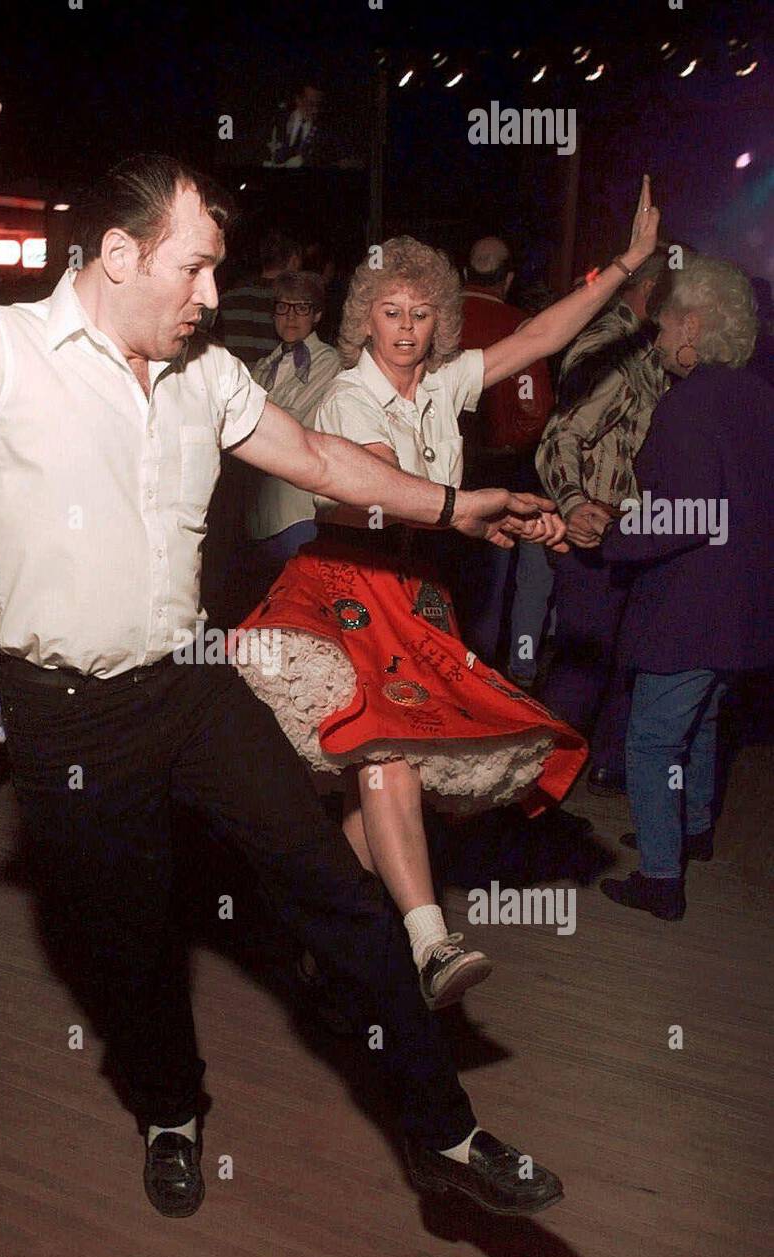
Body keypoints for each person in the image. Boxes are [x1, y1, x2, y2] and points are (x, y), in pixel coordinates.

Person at [0, 69, 612, 1223]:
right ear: (118, 256)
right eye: (193, 265)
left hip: (191, 680)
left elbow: (326, 466)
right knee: (131, 948)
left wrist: (453, 505)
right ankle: (172, 1109)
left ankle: (444, 1132)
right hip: (65, 712)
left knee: (336, 887)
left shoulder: (209, 375)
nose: (212, 291)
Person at [235, 228, 629, 1008]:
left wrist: (622, 265)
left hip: (416, 596)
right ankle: (428, 941)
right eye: (390, 311)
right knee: (383, 756)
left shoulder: (445, 383)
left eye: (420, 312)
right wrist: (497, 515)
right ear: (364, 319)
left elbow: (542, 334)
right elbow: (379, 494)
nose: (407, 327)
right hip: (348, 588)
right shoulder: (349, 395)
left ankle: (330, 938)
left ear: (439, 319)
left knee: (377, 786)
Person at [599, 255, 773, 919]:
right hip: (746, 606)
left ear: (694, 324)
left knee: (650, 741)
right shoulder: (759, 394)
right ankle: (689, 830)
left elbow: (693, 513)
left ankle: (659, 877)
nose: (658, 333)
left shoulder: (688, 402)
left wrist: (611, 536)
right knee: (699, 727)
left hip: (693, 605)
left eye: (665, 320)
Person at [536, 248, 670, 795]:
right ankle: (535, 788)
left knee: (618, 658)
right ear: (655, 289)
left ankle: (605, 767)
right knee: (580, 667)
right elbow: (559, 436)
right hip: (592, 534)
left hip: (627, 534)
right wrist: (571, 503)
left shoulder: (645, 347)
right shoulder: (608, 347)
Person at [459, 236, 555, 686]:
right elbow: (532, 412)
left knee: (447, 574)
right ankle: (493, 678)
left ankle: (449, 671)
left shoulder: (434, 319)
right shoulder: (519, 326)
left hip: (438, 471)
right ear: (509, 279)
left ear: (463, 275)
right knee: (494, 571)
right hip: (498, 465)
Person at [240, 269, 341, 608]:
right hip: (256, 516)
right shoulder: (267, 363)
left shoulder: (329, 361)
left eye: (301, 308)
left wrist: (250, 414)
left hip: (296, 513)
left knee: (299, 612)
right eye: (283, 308)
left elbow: (289, 426)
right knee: (258, 616)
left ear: (318, 314)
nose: (291, 316)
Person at [215, 229, 301, 368]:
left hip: (230, 380)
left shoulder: (229, 297)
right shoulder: (293, 306)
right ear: (294, 260)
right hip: (270, 386)